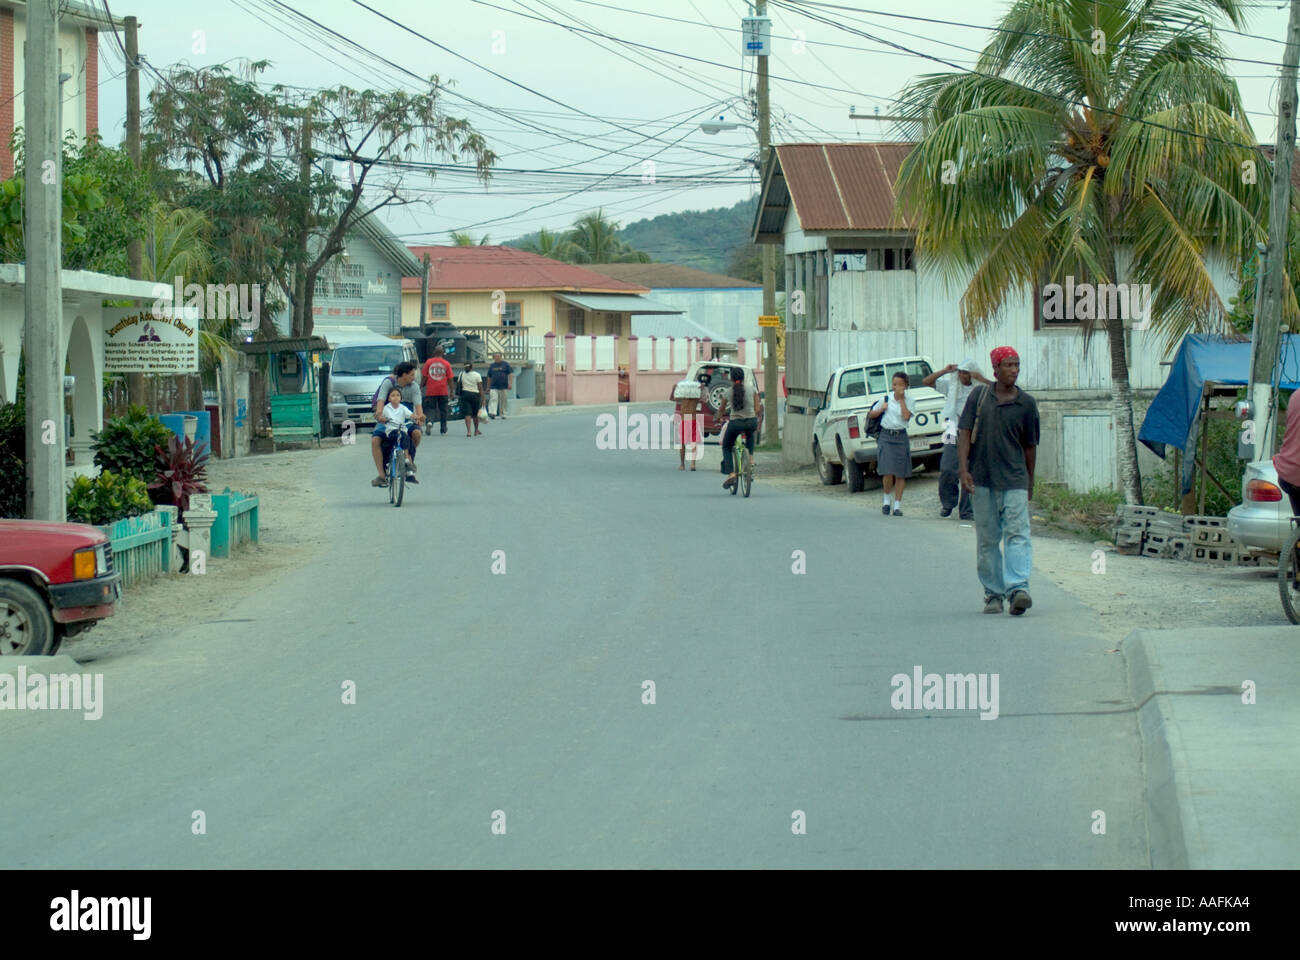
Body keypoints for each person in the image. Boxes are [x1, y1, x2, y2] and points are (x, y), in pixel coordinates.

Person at [959, 346, 1040, 616]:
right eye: (1008, 365)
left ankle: (1018, 588)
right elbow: (964, 432)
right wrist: (963, 470)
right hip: (981, 479)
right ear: (996, 369)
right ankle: (993, 593)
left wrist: (1030, 481)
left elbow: (1030, 446)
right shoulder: (979, 396)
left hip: (1015, 479)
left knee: (1018, 534)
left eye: (1017, 365)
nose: (1014, 370)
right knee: (988, 539)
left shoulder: (1026, 404)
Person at [923, 358, 990, 520]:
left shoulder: (980, 388)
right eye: (960, 372)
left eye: (966, 372)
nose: (962, 375)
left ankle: (966, 510)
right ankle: (948, 502)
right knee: (947, 467)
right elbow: (927, 382)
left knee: (968, 470)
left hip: (972, 432)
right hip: (951, 427)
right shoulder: (951, 386)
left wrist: (980, 378)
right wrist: (945, 371)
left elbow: (998, 389)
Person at [867, 372, 914, 516]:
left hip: (901, 436)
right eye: (894, 384)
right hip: (886, 436)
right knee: (887, 470)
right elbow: (871, 414)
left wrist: (901, 401)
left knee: (901, 472)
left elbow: (906, 417)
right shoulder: (885, 398)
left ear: (906, 386)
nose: (896, 387)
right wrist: (882, 409)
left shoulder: (910, 400)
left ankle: (897, 505)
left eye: (900, 384)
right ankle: (886, 501)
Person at [370, 361, 424, 487]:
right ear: (403, 375)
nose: (413, 377)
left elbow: (418, 407)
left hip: (405, 418)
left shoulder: (414, 387)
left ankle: (407, 460)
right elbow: (381, 400)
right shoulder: (389, 383)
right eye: (411, 375)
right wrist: (379, 414)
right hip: (388, 419)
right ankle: (382, 476)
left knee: (416, 433)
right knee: (375, 440)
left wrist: (420, 418)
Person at [716, 368, 761, 491]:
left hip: (735, 424)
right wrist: (754, 416)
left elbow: (721, 410)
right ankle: (750, 458)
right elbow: (757, 409)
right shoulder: (752, 389)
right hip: (751, 421)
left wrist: (718, 418)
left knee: (726, 446)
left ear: (731, 379)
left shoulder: (728, 392)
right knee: (751, 434)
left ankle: (731, 473)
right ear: (743, 378)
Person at [671, 372, 710, 470]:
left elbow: (671, 398)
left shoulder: (682, 397)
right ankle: (693, 464)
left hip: (684, 420)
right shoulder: (695, 398)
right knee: (693, 443)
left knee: (682, 444)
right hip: (692, 419)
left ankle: (682, 464)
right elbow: (705, 399)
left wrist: (674, 388)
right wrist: (702, 389)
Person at [421, 346, 454, 435]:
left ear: (434, 352)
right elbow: (450, 378)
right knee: (443, 410)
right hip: (443, 391)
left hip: (431, 390)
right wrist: (451, 390)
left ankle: (430, 422)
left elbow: (424, 376)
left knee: (430, 408)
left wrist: (420, 386)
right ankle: (443, 429)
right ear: (443, 353)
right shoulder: (446, 364)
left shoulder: (428, 362)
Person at [457, 361, 484, 437]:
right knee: (475, 414)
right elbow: (480, 387)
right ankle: (476, 430)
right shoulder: (477, 375)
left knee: (467, 414)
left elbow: (459, 384)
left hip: (465, 394)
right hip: (475, 395)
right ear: (472, 367)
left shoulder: (461, 374)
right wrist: (483, 399)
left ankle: (468, 431)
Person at [486, 353, 514, 419]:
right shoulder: (492, 366)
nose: (497, 357)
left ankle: (503, 414)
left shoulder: (505, 364)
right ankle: (493, 413)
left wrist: (510, 383)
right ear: (493, 358)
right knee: (493, 399)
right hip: (494, 386)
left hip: (503, 386)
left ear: (501, 357)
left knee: (503, 400)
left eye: (498, 356)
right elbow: (489, 377)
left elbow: (510, 374)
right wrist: (488, 387)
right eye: (496, 356)